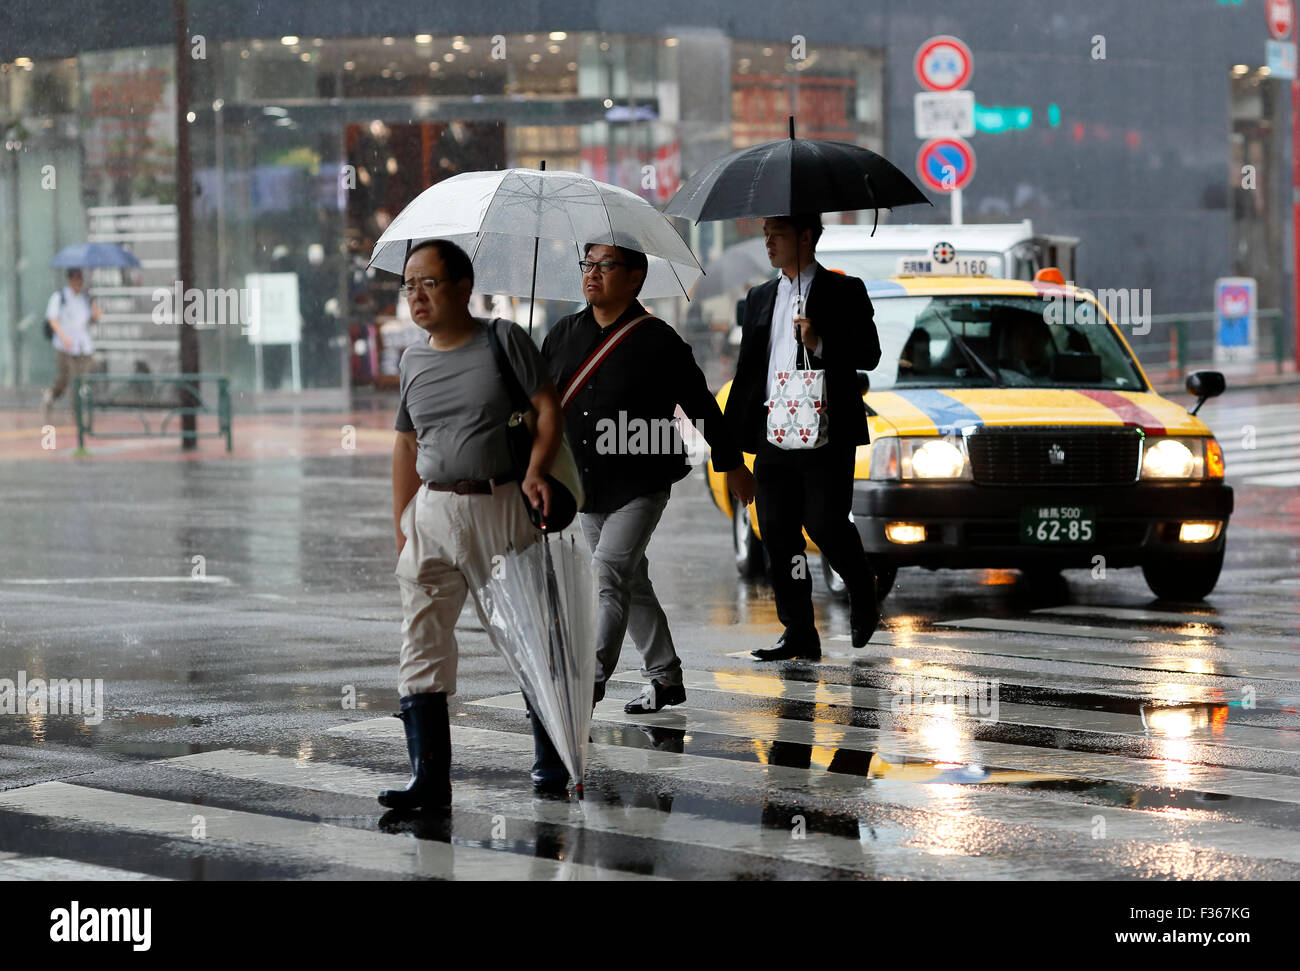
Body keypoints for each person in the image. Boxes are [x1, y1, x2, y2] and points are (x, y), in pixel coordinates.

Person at [381, 238, 565, 809]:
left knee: (526, 632)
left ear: (463, 287)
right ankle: (429, 779)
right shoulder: (412, 359)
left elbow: (547, 410)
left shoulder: (502, 338)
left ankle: (552, 763)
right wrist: (401, 524)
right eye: (408, 284)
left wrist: (536, 469)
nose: (416, 295)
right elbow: (406, 445)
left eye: (427, 283)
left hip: (500, 503)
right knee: (421, 638)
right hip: (431, 510)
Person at [541, 242, 755, 715]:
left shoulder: (658, 339)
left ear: (636, 277)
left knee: (608, 574)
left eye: (605, 265)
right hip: (585, 486)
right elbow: (542, 405)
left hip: (640, 482)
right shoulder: (562, 335)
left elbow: (701, 404)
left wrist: (732, 462)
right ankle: (665, 676)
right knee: (629, 580)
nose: (592, 273)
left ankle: (586, 683)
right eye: (588, 264)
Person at [724, 214, 882, 662]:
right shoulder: (759, 297)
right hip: (775, 430)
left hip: (826, 430)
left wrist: (821, 342)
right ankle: (799, 631)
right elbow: (748, 374)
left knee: (825, 523)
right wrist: (731, 452)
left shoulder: (844, 290)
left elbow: (869, 353)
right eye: (766, 233)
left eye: (778, 233)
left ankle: (862, 585)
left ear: (806, 236)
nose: (768, 241)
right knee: (777, 531)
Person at [42, 268, 100, 423]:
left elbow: (86, 323)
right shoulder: (59, 297)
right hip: (65, 347)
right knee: (64, 379)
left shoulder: (85, 299)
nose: (77, 283)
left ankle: (77, 412)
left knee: (81, 379)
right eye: (74, 280)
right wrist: (64, 337)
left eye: (80, 280)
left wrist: (94, 316)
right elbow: (52, 319)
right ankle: (51, 395)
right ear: (69, 280)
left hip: (83, 347)